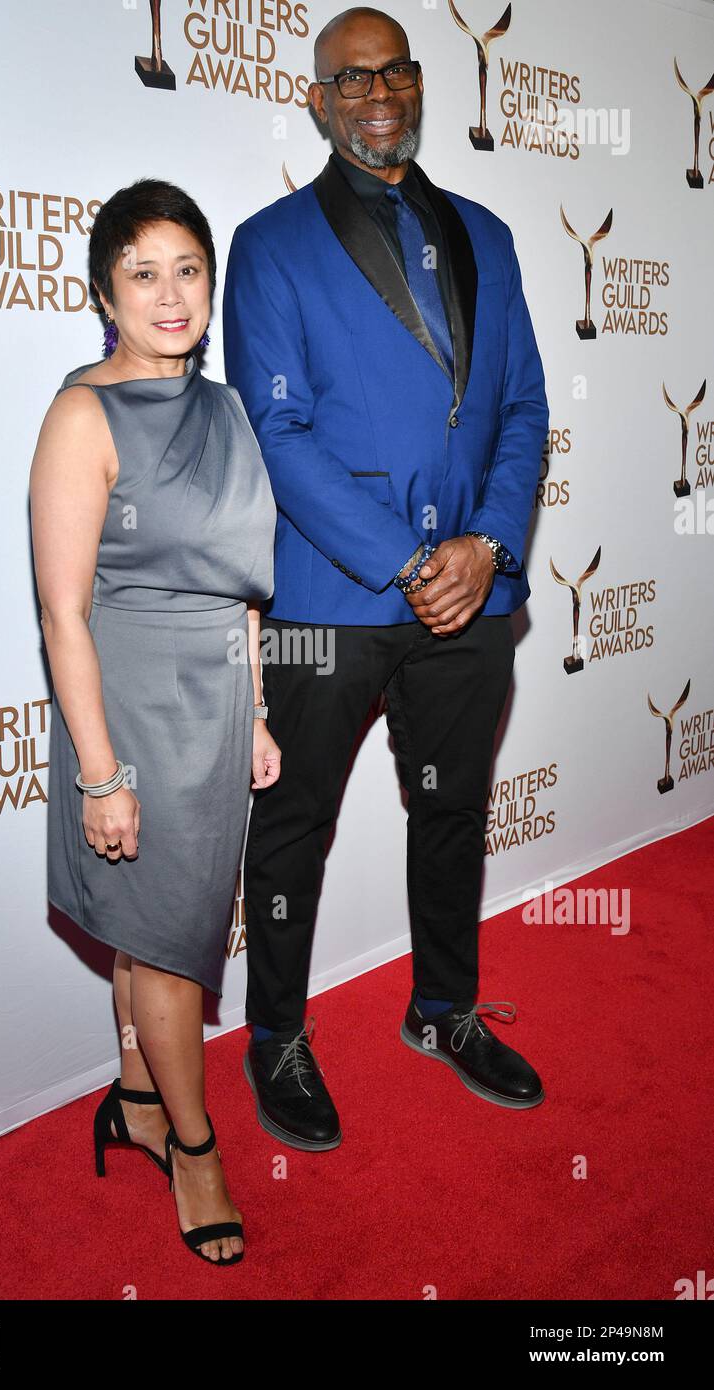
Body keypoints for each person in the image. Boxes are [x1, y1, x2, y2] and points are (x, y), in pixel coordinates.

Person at [223, 6, 550, 1152]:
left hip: (472, 595)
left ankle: (443, 1010)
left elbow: (519, 409)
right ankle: (274, 1035)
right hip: (328, 598)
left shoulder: (489, 235)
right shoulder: (267, 245)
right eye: (349, 77)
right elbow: (279, 431)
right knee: (291, 823)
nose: (376, 90)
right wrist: (409, 558)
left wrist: (487, 545)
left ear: (421, 85)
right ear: (318, 100)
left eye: (396, 70)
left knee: (451, 806)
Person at [29, 178, 279, 1262]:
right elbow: (61, 610)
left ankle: (134, 1099)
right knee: (176, 950)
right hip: (125, 706)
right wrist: (100, 773)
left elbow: (240, 588)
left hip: (216, 702)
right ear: (104, 292)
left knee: (151, 932)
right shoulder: (82, 412)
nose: (169, 295)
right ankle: (195, 1148)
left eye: (187, 270)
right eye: (143, 273)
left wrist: (257, 715)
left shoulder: (225, 406)